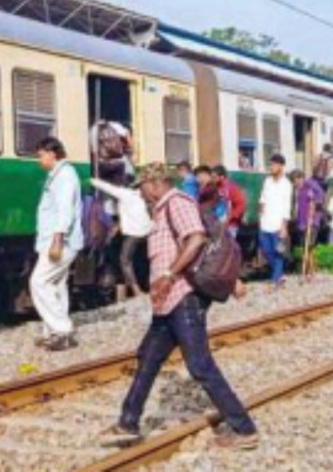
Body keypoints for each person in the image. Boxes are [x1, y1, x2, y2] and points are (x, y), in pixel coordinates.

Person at [101, 163, 259, 451]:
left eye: (143, 187)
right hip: (168, 302)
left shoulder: (177, 203)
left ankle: (244, 429)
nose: (142, 194)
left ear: (155, 183)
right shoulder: (162, 208)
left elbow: (196, 238)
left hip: (183, 297)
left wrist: (168, 274)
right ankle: (128, 421)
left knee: (200, 366)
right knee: (147, 357)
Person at [30, 138, 84, 352]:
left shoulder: (64, 176)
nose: (39, 160)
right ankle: (53, 332)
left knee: (39, 282)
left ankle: (63, 330)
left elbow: (65, 212)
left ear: (52, 154)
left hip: (61, 241)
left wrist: (57, 241)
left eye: (40, 155)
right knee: (56, 285)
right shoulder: (59, 175)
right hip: (58, 240)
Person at [91, 177, 154, 301]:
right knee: (133, 261)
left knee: (124, 261)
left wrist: (92, 180)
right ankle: (128, 294)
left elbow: (108, 188)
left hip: (134, 234)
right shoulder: (140, 198)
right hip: (144, 233)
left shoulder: (126, 195)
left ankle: (137, 291)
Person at [258, 155, 293, 289]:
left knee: (278, 252)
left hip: (278, 224)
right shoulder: (267, 181)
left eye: (273, 165)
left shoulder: (287, 184)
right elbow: (262, 198)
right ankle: (280, 275)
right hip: (265, 222)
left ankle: (275, 280)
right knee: (267, 251)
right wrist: (260, 212)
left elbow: (287, 206)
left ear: (280, 166)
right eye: (270, 164)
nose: (271, 167)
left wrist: (284, 226)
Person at [292, 170, 324, 253]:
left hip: (311, 221)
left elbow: (320, 194)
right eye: (294, 182)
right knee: (304, 246)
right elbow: (299, 207)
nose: (295, 184)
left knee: (310, 246)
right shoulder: (299, 191)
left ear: (301, 179)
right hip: (302, 222)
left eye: (296, 181)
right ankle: (307, 264)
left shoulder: (310, 185)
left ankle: (309, 264)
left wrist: (314, 208)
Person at [213, 166, 246, 238]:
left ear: (222, 177)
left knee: (229, 247)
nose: (213, 179)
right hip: (218, 224)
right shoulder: (215, 187)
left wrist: (230, 216)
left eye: (215, 177)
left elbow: (241, 204)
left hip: (230, 225)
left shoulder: (231, 187)